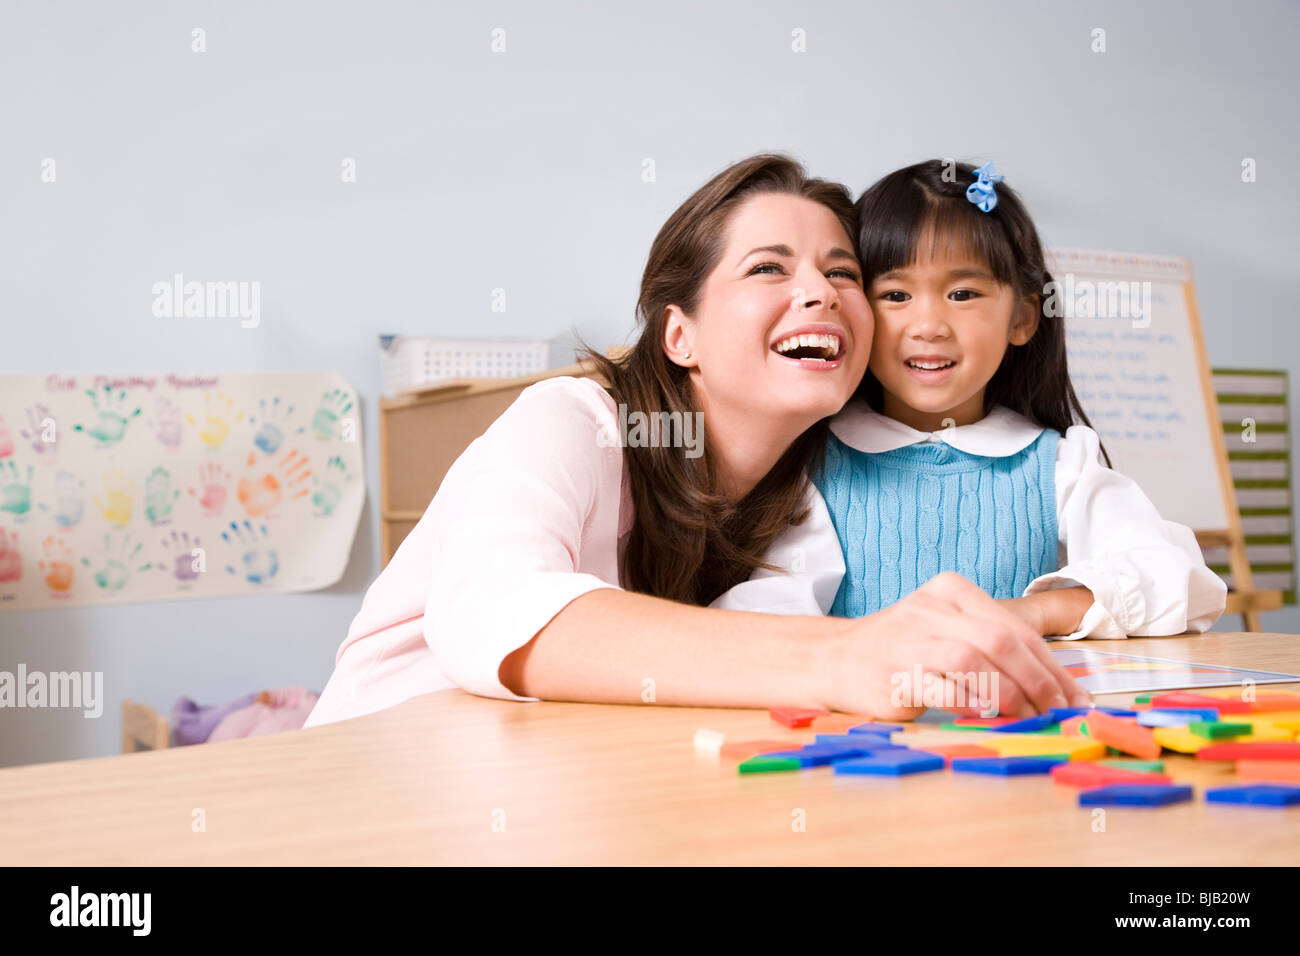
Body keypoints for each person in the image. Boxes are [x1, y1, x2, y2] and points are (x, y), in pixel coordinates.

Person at [304, 154, 1091, 730]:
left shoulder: (810, 485)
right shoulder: (575, 423)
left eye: (842, 272)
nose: (818, 291)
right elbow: (489, 609)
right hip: (381, 788)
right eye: (767, 269)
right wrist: (841, 656)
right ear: (680, 335)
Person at [776, 160, 1225, 638]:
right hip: (863, 710)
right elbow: (766, 609)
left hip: (1015, 713)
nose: (929, 326)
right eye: (895, 295)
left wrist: (1034, 614)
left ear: (1022, 319)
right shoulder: (817, 462)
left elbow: (1180, 582)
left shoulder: (1058, 465)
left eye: (963, 293)